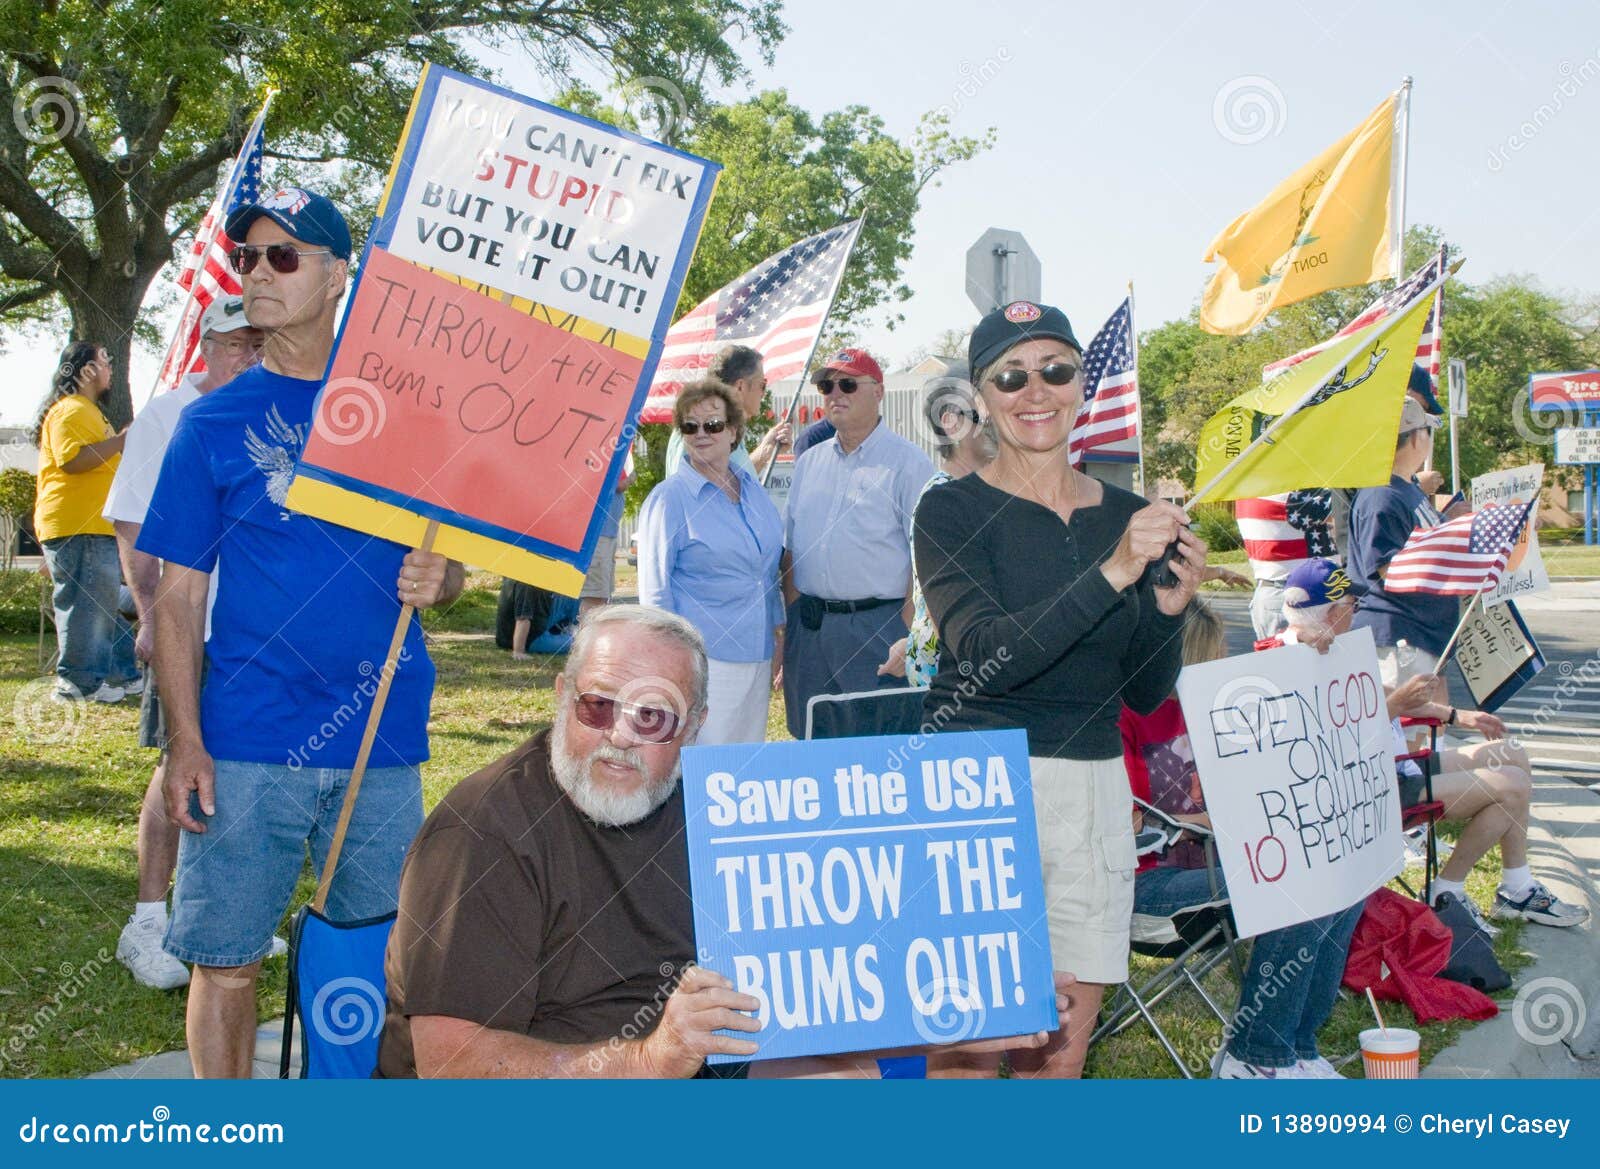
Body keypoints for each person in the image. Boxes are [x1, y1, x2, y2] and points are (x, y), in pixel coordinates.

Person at [377, 605, 1071, 1078]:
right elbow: (450, 1060)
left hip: (701, 1070)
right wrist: (651, 1056)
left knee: (845, 1077)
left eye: (654, 715)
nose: (619, 734)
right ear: (562, 694)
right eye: (598, 705)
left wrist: (985, 1008)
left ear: (696, 724)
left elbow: (824, 993)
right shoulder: (483, 830)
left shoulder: (731, 810)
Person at [138, 187, 464, 1077]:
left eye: (285, 257)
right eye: (249, 258)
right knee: (228, 962)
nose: (259, 274)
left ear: (337, 277)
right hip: (246, 744)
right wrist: (185, 740)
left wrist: (448, 578)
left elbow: (449, 560)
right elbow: (175, 599)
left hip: (381, 741)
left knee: (380, 961)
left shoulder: (406, 415)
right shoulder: (210, 424)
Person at [913, 300, 1207, 1079]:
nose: (1034, 389)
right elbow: (985, 652)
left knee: (1058, 1053)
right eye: (1010, 374)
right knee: (969, 1052)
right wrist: (1114, 571)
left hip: (1091, 789)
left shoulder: (1129, 512)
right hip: (976, 789)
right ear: (981, 395)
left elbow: (1143, 693)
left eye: (1056, 369)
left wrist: (1168, 614)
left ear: (1082, 384)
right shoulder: (950, 510)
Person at [1263, 559, 1586, 932]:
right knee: (1511, 785)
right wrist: (1398, 704)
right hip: (1362, 793)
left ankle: (1517, 885)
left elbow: (1379, 693)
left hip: (1393, 766)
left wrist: (1456, 716)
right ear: (1334, 612)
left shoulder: (1331, 647)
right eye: (1353, 606)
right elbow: (1330, 746)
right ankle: (1446, 891)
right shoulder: (1286, 662)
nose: (1356, 613)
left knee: (1510, 753)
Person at [1121, 599, 1364, 1079]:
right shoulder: (1123, 717)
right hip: (1145, 891)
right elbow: (1129, 821)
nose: (1222, 665)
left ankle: (1298, 1048)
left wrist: (1302, 645)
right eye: (1212, 655)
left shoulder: (1215, 707)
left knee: (1347, 879)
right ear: (1178, 658)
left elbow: (1273, 668)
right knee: (1298, 886)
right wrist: (1224, 818)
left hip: (1219, 868)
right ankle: (1253, 1056)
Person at [101, 296, 264, 990]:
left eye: (257, 343)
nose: (248, 356)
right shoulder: (168, 417)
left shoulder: (269, 412)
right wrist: (148, 614)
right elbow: (131, 527)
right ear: (206, 344)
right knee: (176, 763)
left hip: (251, 629)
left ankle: (215, 916)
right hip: (184, 626)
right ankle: (145, 919)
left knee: (235, 768)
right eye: (235, 344)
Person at [781, 348, 932, 739]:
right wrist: (796, 618)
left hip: (879, 628)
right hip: (811, 629)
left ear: (879, 392)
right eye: (826, 385)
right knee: (811, 740)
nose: (835, 393)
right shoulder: (808, 463)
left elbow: (927, 560)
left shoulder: (909, 463)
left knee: (880, 747)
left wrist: (908, 634)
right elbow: (792, 552)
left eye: (848, 383)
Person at [638, 380, 783, 745]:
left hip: (759, 655)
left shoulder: (754, 491)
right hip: (704, 662)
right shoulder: (670, 498)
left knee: (744, 766)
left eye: (713, 425)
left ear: (733, 432)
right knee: (703, 769)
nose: (701, 434)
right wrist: (671, 664)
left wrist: (780, 636)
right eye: (690, 426)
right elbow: (655, 594)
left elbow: (768, 573)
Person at [31, 341, 138, 703]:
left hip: (93, 525)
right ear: (84, 370)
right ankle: (77, 683)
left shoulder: (90, 412)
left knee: (100, 606)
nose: (110, 368)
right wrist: (122, 441)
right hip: (76, 524)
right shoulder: (71, 409)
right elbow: (73, 460)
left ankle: (123, 674)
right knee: (84, 605)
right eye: (104, 362)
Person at [889, 368, 995, 688]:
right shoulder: (944, 501)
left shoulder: (985, 492)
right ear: (952, 421)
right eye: (990, 415)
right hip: (952, 676)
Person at [1347, 397, 1458, 683]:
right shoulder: (1382, 495)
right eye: (1427, 431)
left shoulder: (1405, 488)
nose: (1429, 439)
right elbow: (1387, 570)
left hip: (1417, 635)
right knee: (1403, 727)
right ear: (1414, 438)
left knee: (1421, 725)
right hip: (1397, 639)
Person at [663, 345, 790, 479]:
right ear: (741, 386)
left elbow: (733, 481)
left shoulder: (725, 427)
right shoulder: (698, 429)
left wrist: (765, 451)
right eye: (762, 385)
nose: (763, 393)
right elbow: (690, 490)